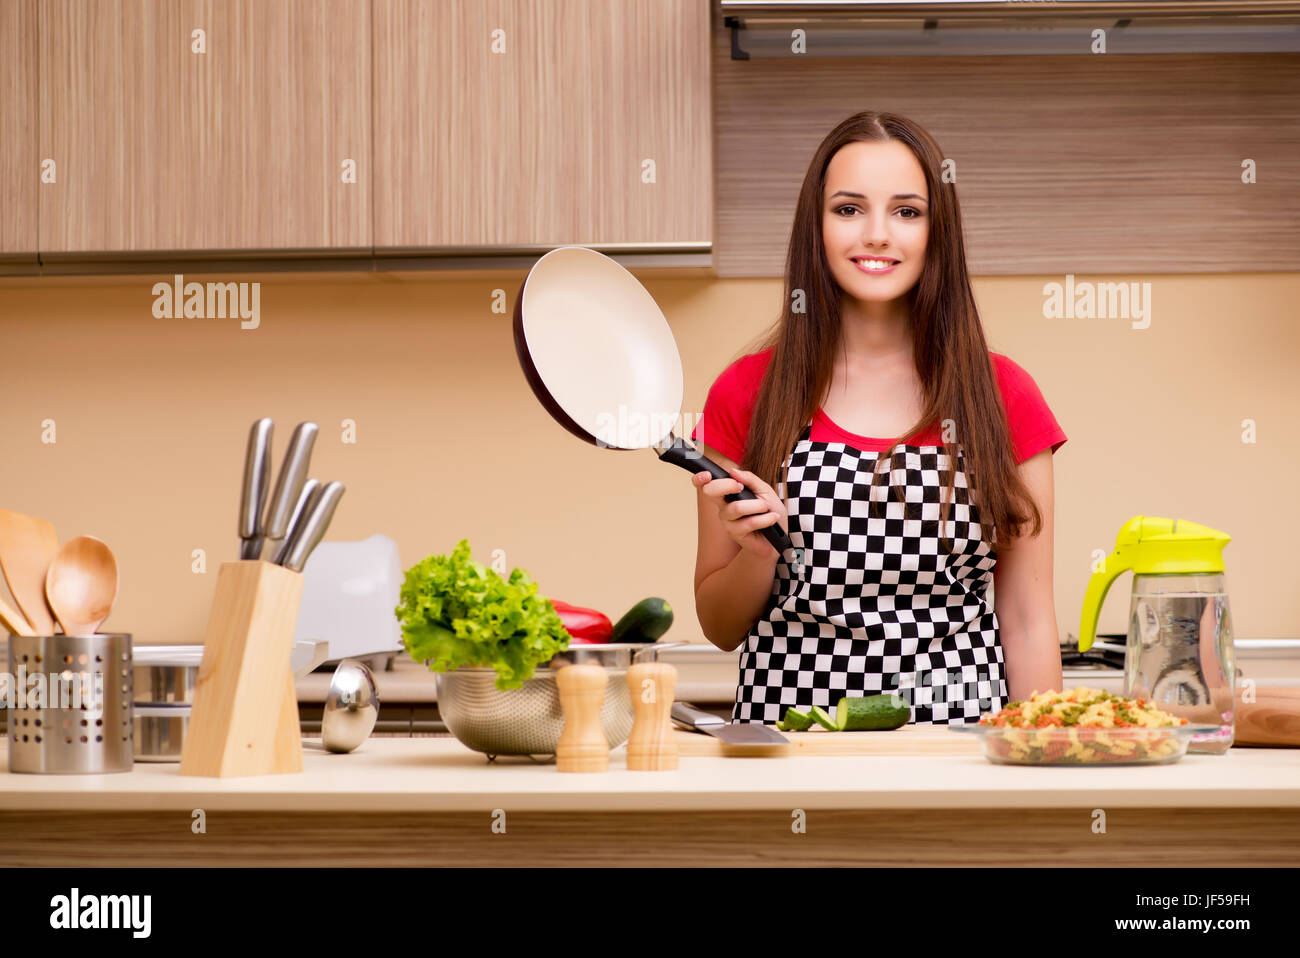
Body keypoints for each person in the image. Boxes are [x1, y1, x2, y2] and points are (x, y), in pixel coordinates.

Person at [690, 111, 1066, 725]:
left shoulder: (1004, 396)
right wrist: (757, 554)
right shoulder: (746, 393)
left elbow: (1025, 619)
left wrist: (1045, 762)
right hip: (786, 750)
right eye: (848, 209)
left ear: (937, 233)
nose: (877, 234)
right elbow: (720, 627)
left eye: (907, 211)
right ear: (815, 227)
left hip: (961, 752)